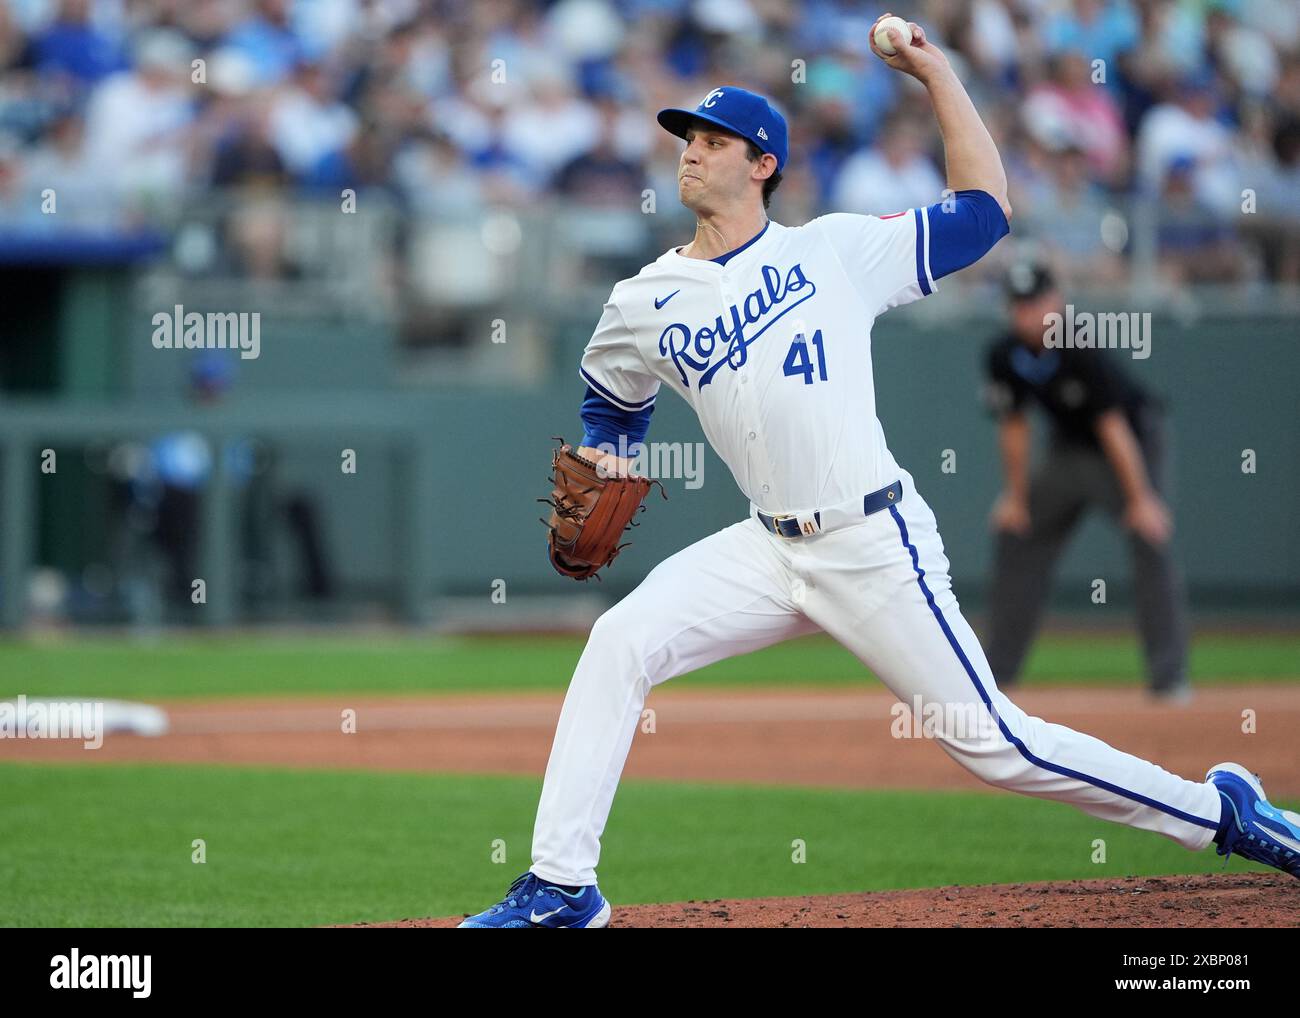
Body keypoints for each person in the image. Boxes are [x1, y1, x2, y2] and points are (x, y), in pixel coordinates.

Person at [459, 16, 1300, 928]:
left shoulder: (834, 251)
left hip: (869, 539)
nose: (690, 155)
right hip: (764, 548)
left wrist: (936, 74)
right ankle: (561, 886)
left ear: (763, 164)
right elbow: (612, 404)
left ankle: (1224, 812)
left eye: (712, 141)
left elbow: (984, 210)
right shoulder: (641, 300)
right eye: (685, 140)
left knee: (998, 747)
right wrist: (609, 455)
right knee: (619, 644)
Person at [983, 261, 1190, 699]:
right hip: (1067, 453)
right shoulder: (1004, 355)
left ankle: (1169, 680)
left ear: (1055, 302)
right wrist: (1015, 497)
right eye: (1018, 306)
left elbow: (1113, 426)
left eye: (1035, 304)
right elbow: (1014, 427)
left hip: (1130, 447)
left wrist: (1141, 499)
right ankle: (995, 677)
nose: (1027, 315)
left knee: (1149, 538)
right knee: (1016, 533)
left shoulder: (1078, 344)